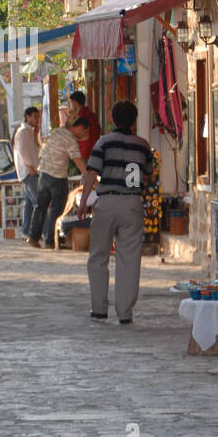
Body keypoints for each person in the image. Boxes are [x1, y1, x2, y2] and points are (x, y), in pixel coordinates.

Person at [78, 101, 153, 324]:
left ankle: (99, 308)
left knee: (98, 256)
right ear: (134, 120)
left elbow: (92, 173)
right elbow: (147, 173)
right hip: (132, 203)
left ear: (112, 118)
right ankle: (125, 312)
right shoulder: (142, 145)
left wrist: (83, 202)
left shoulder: (104, 143)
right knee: (129, 259)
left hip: (107, 202)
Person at [28, 105, 86, 249]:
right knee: (56, 209)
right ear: (80, 128)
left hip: (44, 174)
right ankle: (50, 241)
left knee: (40, 207)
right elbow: (79, 163)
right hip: (57, 178)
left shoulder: (56, 132)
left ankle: (33, 238)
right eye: (86, 131)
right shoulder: (71, 141)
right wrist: (91, 177)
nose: (85, 135)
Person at [13, 106, 41, 240]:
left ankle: (26, 232)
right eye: (35, 117)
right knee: (38, 203)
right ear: (27, 117)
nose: (37, 119)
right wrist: (30, 167)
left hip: (31, 170)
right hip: (29, 171)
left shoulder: (29, 131)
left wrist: (36, 133)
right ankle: (41, 233)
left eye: (38, 117)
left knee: (29, 204)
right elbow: (23, 151)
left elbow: (35, 148)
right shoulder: (24, 131)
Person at [68, 89, 102, 162]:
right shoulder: (91, 114)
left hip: (85, 151)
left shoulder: (82, 116)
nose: (71, 105)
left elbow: (76, 135)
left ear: (75, 102)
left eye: (71, 102)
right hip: (94, 149)